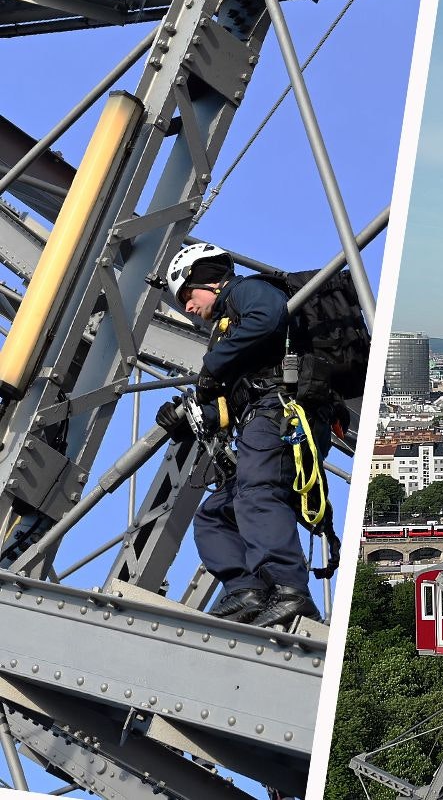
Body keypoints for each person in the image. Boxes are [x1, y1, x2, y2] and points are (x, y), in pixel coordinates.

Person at [153, 244, 323, 629]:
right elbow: (236, 400)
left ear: (207, 281)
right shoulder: (231, 327)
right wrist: (191, 417)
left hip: (279, 413)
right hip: (259, 416)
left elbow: (268, 318)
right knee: (214, 516)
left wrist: (213, 365)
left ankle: (290, 590)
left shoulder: (246, 292)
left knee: (258, 493)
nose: (188, 308)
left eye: (187, 295)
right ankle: (247, 590)